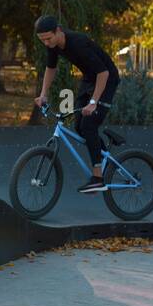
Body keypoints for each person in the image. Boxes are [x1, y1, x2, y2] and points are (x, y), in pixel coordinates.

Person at [33, 15, 120, 192]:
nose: (46, 43)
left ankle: (98, 178)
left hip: (107, 79)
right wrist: (43, 94)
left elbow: (103, 73)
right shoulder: (53, 45)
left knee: (89, 124)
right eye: (42, 40)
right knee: (79, 126)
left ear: (59, 31)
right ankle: (106, 160)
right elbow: (51, 69)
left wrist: (94, 102)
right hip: (89, 80)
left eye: (48, 38)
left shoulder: (78, 42)